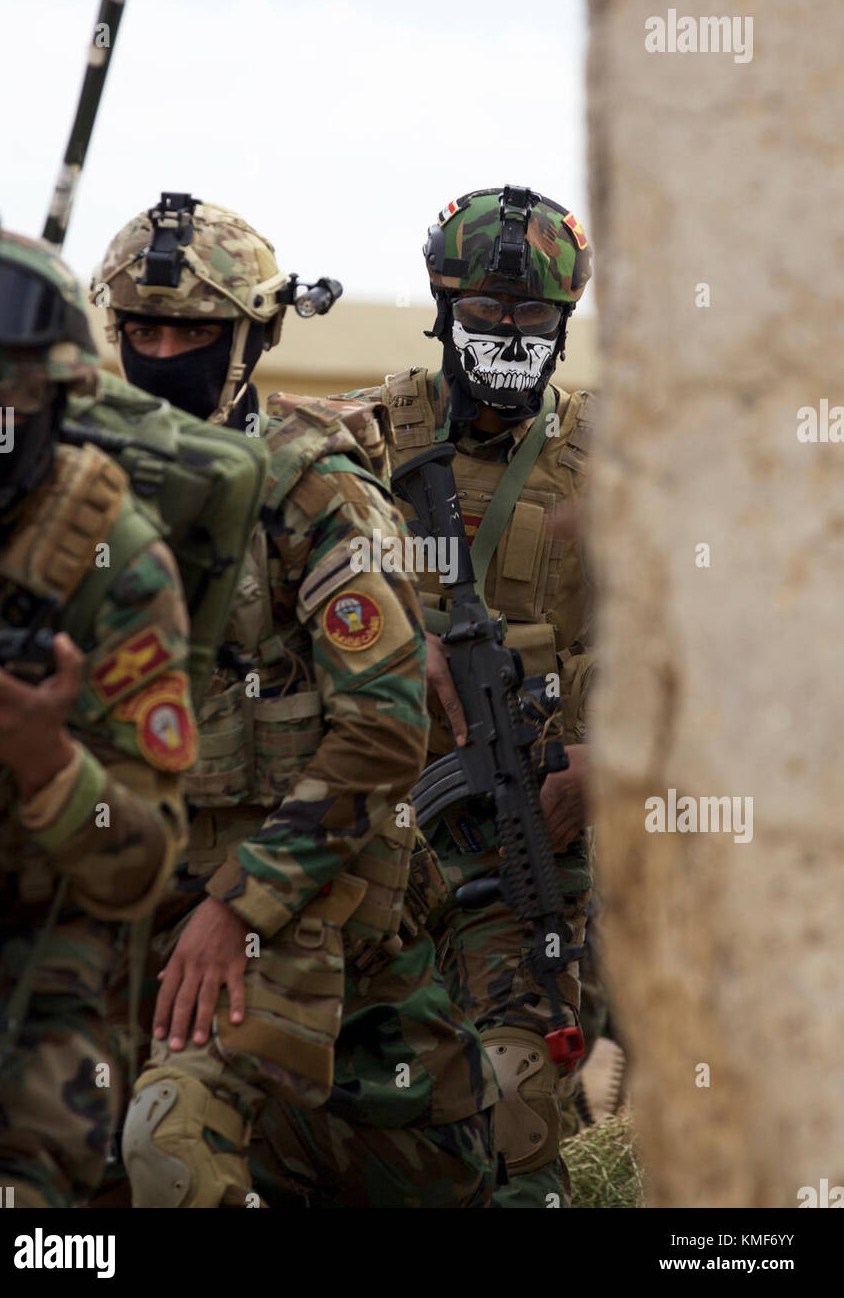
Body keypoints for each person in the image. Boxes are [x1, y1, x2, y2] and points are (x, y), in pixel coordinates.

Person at [91, 194, 499, 1208]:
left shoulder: (311, 490)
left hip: (286, 906)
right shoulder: (82, 489)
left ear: (251, 337)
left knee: (170, 1146)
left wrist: (240, 904)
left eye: (192, 331)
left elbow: (384, 725)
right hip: (119, 899)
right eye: (142, 329)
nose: (163, 351)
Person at [346, 184, 596, 1206]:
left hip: (528, 842)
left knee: (521, 1101)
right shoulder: (358, 434)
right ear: (442, 306)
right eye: (484, 315)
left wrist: (605, 758)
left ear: (563, 324)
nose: (506, 333)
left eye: (531, 319)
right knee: (349, 1101)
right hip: (361, 839)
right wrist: (396, 640)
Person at [0, 211, 193, 1207]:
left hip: (26, 939)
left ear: (54, 397)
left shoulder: (113, 560)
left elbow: (139, 855)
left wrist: (47, 761)